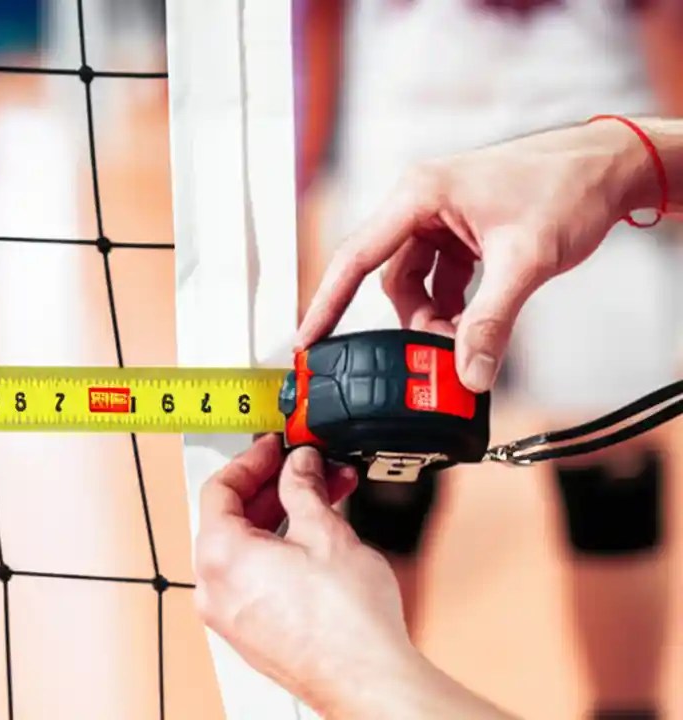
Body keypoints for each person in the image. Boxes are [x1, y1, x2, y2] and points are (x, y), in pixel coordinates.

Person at [196, 117, 682, 717]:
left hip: (548, 156)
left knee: (613, 477)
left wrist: (356, 675)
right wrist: (628, 158)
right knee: (382, 486)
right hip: (419, 153)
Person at [293, 3, 683, 717]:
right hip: (413, 139)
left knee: (611, 476)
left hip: (590, 130)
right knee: (383, 477)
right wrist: (305, 203)